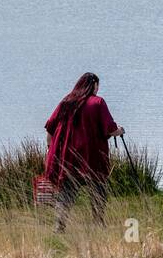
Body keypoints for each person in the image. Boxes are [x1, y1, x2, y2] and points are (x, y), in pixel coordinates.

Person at [44, 71, 123, 231]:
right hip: (92, 157)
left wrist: (49, 149)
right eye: (97, 85)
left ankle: (59, 226)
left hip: (68, 157)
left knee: (66, 192)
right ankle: (98, 222)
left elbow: (50, 128)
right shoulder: (98, 103)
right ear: (93, 85)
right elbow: (109, 128)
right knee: (98, 189)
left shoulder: (66, 102)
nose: (98, 88)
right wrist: (120, 131)